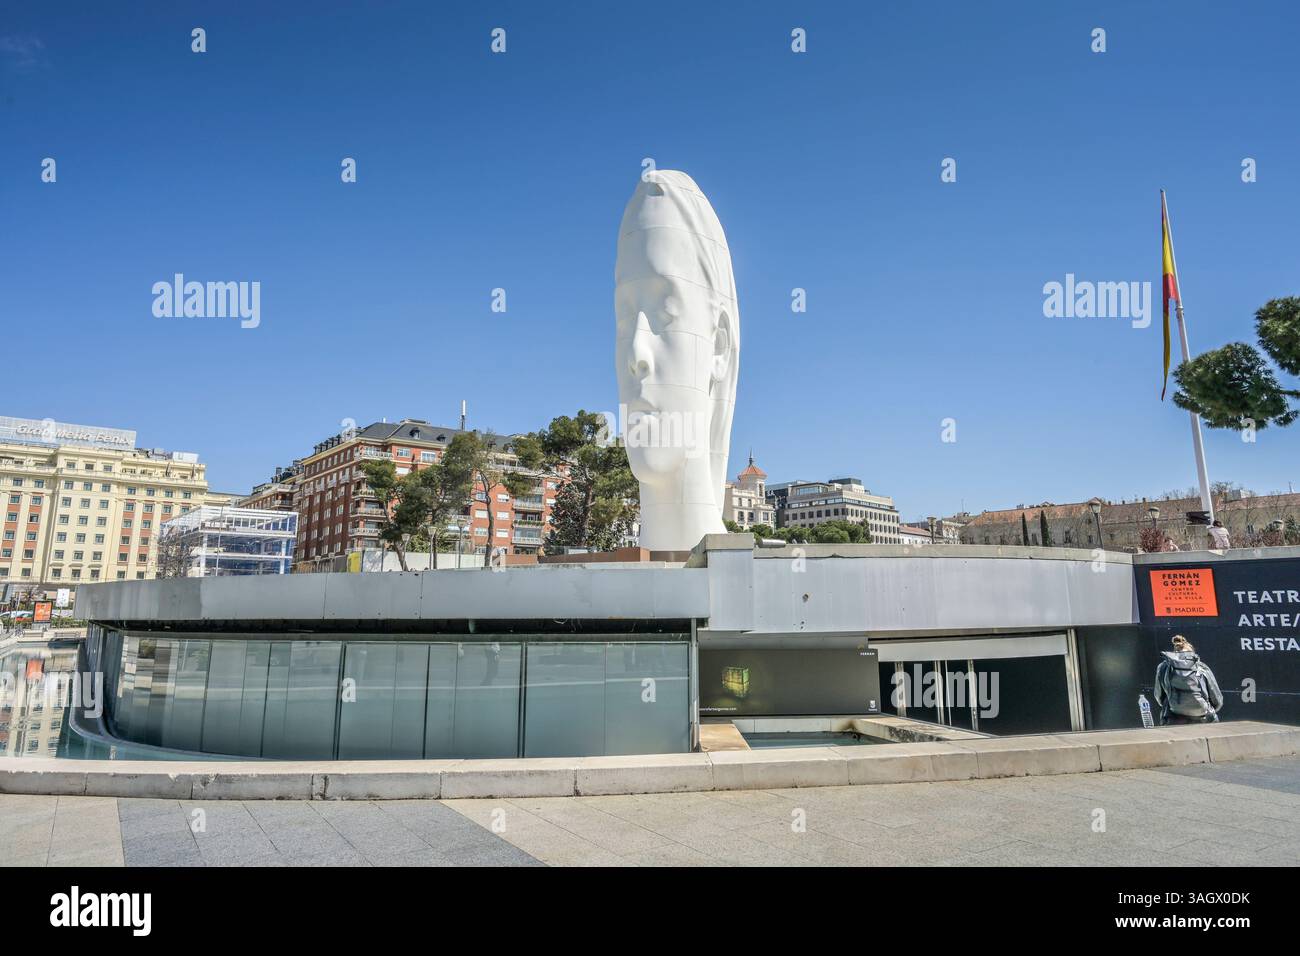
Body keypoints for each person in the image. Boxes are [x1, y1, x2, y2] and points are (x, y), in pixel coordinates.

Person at [1154, 635, 1223, 724]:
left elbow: (1159, 697)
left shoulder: (1163, 667)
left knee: (1166, 706)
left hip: (1173, 718)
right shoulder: (1201, 667)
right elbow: (1216, 699)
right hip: (1203, 718)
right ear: (1192, 654)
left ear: (1175, 653)